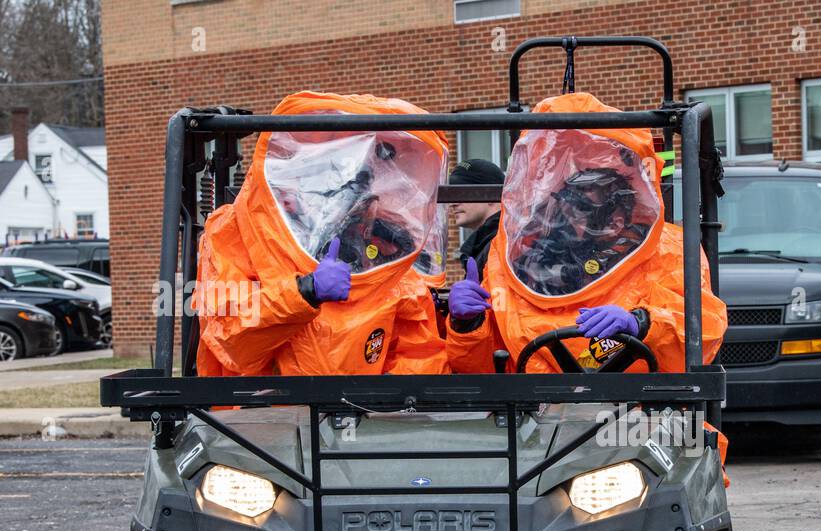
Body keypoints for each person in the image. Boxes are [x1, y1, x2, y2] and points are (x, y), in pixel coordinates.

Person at [444, 91, 727, 374]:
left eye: (598, 205)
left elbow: (705, 330)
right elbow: (480, 372)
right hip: (532, 411)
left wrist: (644, 323)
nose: (578, 218)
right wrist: (467, 325)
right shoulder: (519, 263)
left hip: (641, 409)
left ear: (625, 208)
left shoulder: (668, 250)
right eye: (574, 202)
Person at [195, 91, 450, 377]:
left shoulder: (387, 250)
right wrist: (305, 292)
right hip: (258, 414)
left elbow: (418, 353)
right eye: (340, 177)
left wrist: (384, 403)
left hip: (360, 414)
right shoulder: (236, 230)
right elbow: (230, 340)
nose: (351, 192)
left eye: (360, 179)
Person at [447, 158, 503, 276]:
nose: (452, 203)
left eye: (461, 193)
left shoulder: (500, 246)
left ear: (490, 194)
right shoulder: (485, 243)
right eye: (452, 194)